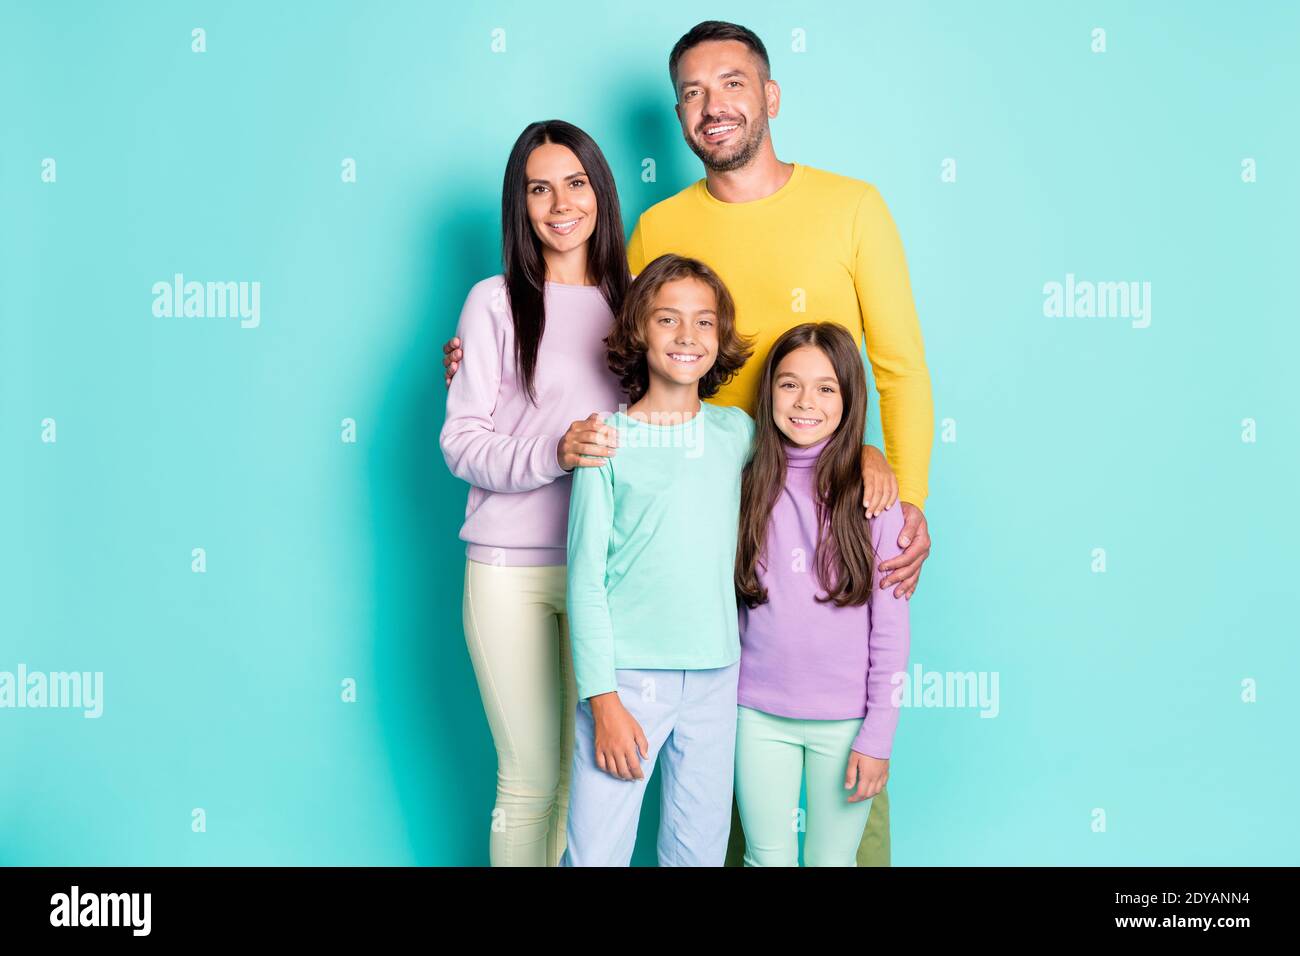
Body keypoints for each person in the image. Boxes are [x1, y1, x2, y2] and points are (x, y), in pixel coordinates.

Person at [445, 20, 935, 866]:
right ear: (678, 115)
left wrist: (897, 476)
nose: (715, 105)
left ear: (770, 95)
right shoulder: (657, 230)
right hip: (670, 552)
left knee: (827, 781)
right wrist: (470, 355)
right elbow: (615, 355)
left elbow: (899, 367)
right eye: (694, 93)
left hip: (800, 525)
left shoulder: (852, 206)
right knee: (684, 782)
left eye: (733, 83)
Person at [438, 119, 626, 866]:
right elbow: (462, 440)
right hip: (508, 571)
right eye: (538, 188)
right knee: (528, 782)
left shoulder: (637, 300)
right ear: (519, 205)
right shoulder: (491, 302)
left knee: (589, 786)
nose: (559, 203)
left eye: (575, 183)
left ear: (600, 192)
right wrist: (554, 450)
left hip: (605, 575)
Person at [560, 254, 754, 866]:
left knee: (697, 852)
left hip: (716, 676)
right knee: (596, 855)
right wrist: (603, 698)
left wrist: (873, 460)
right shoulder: (606, 440)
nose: (687, 336)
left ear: (720, 336)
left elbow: (814, 454)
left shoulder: (737, 433)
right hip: (628, 681)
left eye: (703, 322)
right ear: (639, 331)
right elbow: (585, 580)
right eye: (668, 319)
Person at [733, 322, 910, 865]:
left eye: (826, 388)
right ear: (769, 395)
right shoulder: (741, 478)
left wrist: (877, 736)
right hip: (755, 714)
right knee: (767, 857)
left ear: (849, 398)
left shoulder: (874, 495)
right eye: (789, 385)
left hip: (846, 720)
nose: (805, 401)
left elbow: (892, 632)